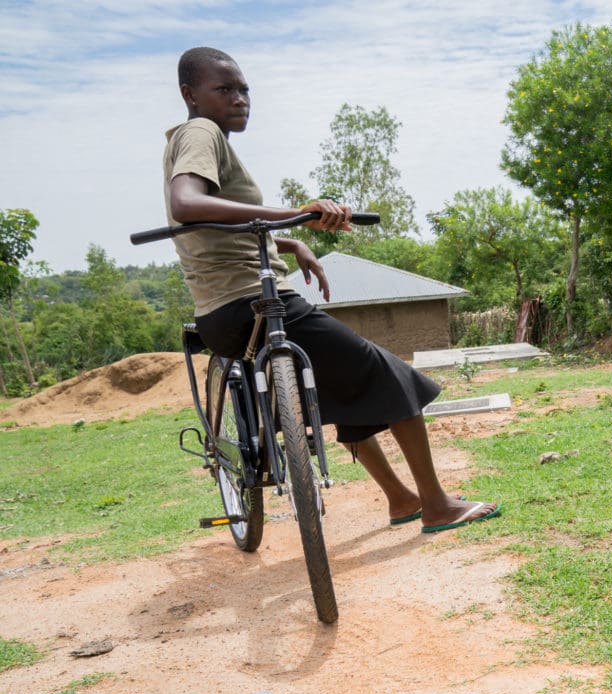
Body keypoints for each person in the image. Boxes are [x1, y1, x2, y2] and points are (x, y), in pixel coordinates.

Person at [163, 46, 499, 533]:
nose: (240, 99)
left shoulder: (188, 141)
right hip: (258, 303)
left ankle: (400, 498)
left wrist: (290, 239)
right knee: (391, 375)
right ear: (190, 94)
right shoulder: (202, 133)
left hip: (219, 317)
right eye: (225, 89)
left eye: (245, 90)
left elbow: (212, 226)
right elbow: (186, 205)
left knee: (340, 390)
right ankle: (436, 504)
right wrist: (297, 214)